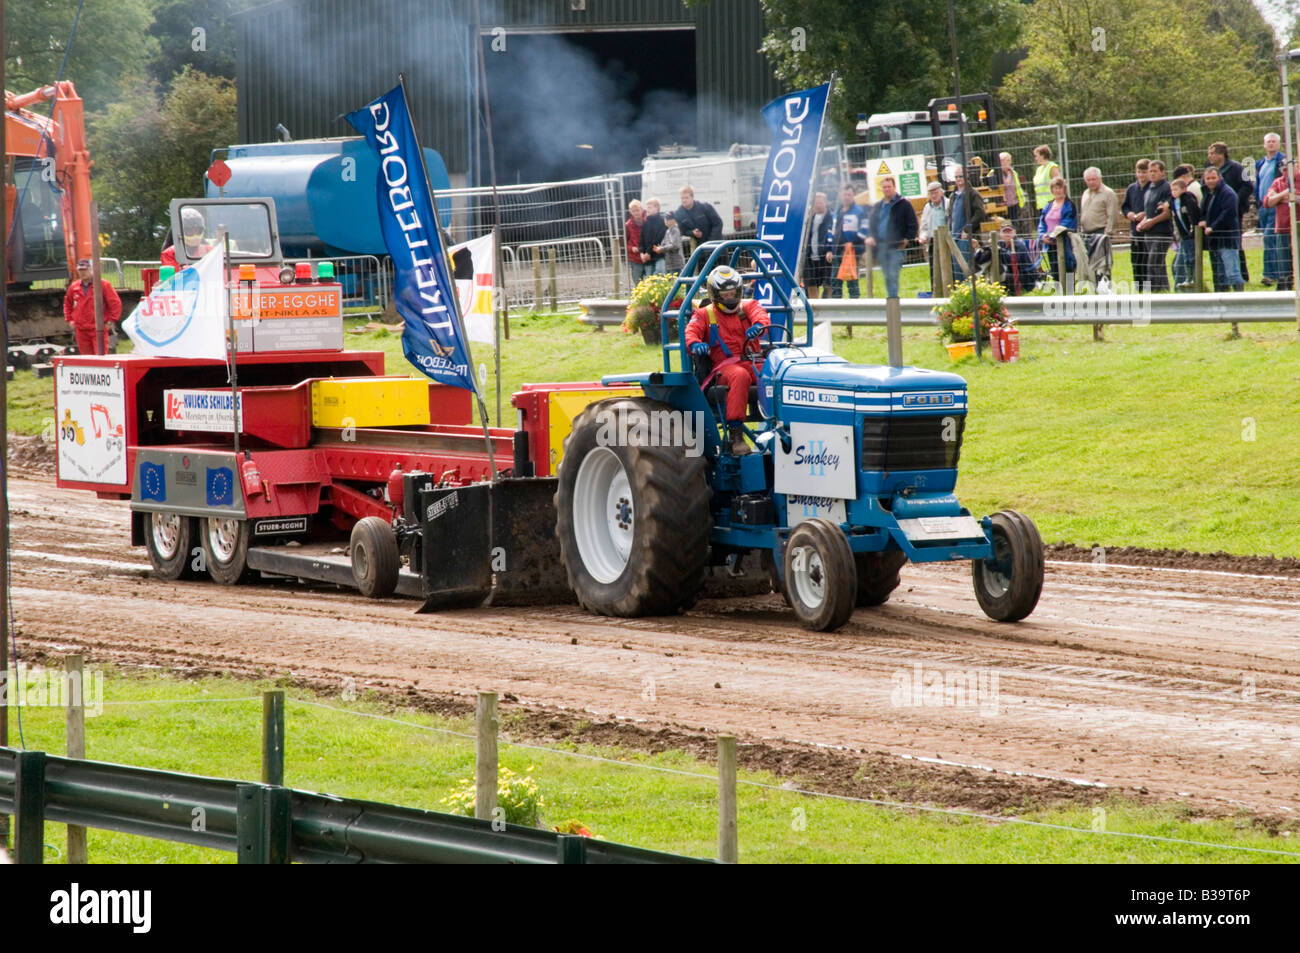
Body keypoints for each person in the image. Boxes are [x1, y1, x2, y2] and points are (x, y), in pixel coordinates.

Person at [684, 265, 771, 455]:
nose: (730, 298)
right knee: (739, 376)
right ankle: (736, 436)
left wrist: (758, 326)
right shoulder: (704, 314)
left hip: (754, 362)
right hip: (725, 368)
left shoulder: (749, 306)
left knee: (778, 372)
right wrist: (695, 344)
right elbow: (690, 333)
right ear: (715, 294)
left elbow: (762, 317)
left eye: (733, 293)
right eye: (725, 295)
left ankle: (783, 425)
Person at [864, 175, 918, 299]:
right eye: (884, 187)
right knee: (887, 275)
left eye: (889, 187)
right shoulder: (878, 206)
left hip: (897, 246)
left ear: (894, 187)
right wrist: (871, 236)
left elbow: (913, 223)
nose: (887, 189)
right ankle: (892, 300)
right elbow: (872, 224)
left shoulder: (904, 204)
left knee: (892, 274)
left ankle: (893, 301)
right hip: (882, 246)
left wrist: (907, 239)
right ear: (881, 189)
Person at [1206, 142, 1250, 283]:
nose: (1210, 156)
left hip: (1233, 211)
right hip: (1214, 212)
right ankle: (1220, 278)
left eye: (1212, 153)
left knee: (1234, 243)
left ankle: (1241, 275)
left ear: (1221, 154)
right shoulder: (1209, 169)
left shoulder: (1237, 167)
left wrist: (1234, 200)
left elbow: (1248, 186)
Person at [63, 258, 123, 356]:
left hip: (98, 328)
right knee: (87, 359)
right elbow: (67, 304)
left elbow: (115, 303)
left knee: (101, 357)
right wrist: (70, 320)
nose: (82, 273)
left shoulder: (103, 284)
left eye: (85, 270)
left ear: (91, 269)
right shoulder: (74, 287)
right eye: (80, 270)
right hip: (81, 330)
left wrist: (110, 321)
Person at [1199, 165, 1243, 292]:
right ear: (1204, 179)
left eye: (1213, 178)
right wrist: (1203, 221)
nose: (1210, 181)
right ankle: (1223, 301)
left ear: (1220, 177)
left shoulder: (1227, 193)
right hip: (1214, 239)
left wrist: (1213, 227)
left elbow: (1228, 213)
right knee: (1220, 274)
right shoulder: (1207, 193)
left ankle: (1240, 299)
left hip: (1227, 238)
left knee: (1232, 272)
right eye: (1208, 178)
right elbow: (1204, 211)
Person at [1136, 159, 1173, 292]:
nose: (1151, 174)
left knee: (1153, 263)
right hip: (1148, 233)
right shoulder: (1149, 189)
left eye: (1155, 171)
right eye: (1150, 171)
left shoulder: (1166, 188)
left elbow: (1167, 212)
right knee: (1158, 264)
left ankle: (1155, 292)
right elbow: (1149, 212)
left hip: (1161, 232)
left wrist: (1151, 222)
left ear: (1162, 172)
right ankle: (1164, 291)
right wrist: (1142, 222)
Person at [1078, 166, 1120, 285]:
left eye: (1093, 179)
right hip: (1086, 233)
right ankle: (1093, 287)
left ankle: (1105, 287)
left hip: (1101, 233)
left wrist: (1108, 234)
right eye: (1088, 180)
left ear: (1100, 178)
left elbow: (1112, 215)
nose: (1091, 182)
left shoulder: (1108, 193)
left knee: (1102, 264)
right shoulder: (1085, 193)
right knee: (1089, 264)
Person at [1255, 133, 1286, 286]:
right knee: (1267, 240)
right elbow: (1258, 184)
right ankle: (1273, 272)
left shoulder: (1283, 161)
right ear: (1264, 145)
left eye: (1274, 141)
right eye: (1269, 142)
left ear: (1279, 144)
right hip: (1263, 206)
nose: (1271, 144)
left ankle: (1272, 273)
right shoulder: (1260, 163)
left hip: (1277, 205)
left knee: (1271, 238)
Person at [1263, 163, 1299, 290]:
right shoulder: (1277, 182)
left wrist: (1289, 197)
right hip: (1282, 228)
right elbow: (1267, 202)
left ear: (1296, 167)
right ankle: (1287, 289)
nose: (1286, 172)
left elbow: (1295, 199)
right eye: (1283, 170)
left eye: (1289, 169)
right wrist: (1284, 194)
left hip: (1298, 228)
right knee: (1284, 263)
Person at [827, 184, 866, 297]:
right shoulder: (836, 213)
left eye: (849, 194)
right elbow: (830, 232)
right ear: (840, 195)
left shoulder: (859, 212)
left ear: (853, 196)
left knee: (852, 282)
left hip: (851, 253)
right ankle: (837, 310)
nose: (846, 197)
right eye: (845, 194)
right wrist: (829, 249)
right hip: (836, 252)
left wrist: (854, 244)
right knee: (835, 282)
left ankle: (855, 310)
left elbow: (865, 229)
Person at [948, 167, 986, 280]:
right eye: (956, 177)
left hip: (967, 238)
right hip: (954, 238)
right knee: (957, 271)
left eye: (961, 176)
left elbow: (980, 214)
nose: (958, 179)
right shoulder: (952, 196)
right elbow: (951, 217)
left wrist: (967, 229)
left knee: (968, 270)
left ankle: (971, 294)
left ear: (966, 176)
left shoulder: (973, 194)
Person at [1037, 176, 1078, 282]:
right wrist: (1042, 236)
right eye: (1055, 188)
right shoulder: (1048, 205)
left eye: (1060, 188)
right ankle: (1058, 294)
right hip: (1050, 245)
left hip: (1065, 244)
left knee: (1068, 270)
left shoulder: (1069, 206)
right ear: (1052, 190)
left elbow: (1067, 224)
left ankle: (1070, 294)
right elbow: (1042, 222)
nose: (1058, 190)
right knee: (1055, 271)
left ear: (1064, 189)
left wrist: (1053, 236)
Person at [1122, 160, 1151, 291]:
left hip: (1149, 230)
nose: (1141, 175)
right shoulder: (1132, 188)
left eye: (1144, 172)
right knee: (1136, 261)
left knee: (1148, 260)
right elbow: (1125, 206)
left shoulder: (1153, 187)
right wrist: (1130, 214)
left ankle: (1149, 287)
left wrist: (1144, 214)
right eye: (1139, 172)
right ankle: (1138, 288)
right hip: (1135, 230)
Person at [1169, 178, 1201, 290]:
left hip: (1191, 234)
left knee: (1190, 257)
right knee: (1185, 259)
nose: (1173, 192)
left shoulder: (1188, 199)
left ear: (1184, 189)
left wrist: (1192, 231)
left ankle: (1192, 278)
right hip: (1183, 235)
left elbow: (1193, 215)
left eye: (1176, 189)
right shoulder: (1172, 202)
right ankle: (1189, 279)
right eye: (1172, 190)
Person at [918, 180, 949, 291]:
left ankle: (948, 289)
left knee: (947, 267)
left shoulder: (948, 204)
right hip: (932, 241)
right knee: (933, 269)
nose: (934, 196)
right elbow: (924, 226)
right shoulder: (928, 207)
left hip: (946, 242)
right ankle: (935, 291)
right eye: (931, 193)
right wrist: (923, 236)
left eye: (936, 193)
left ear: (941, 192)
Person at [674, 185, 723, 255]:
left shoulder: (705, 207)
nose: (684, 200)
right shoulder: (679, 214)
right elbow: (682, 231)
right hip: (699, 248)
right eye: (682, 198)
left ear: (692, 197)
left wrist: (711, 242)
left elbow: (718, 223)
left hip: (716, 246)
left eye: (686, 198)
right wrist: (692, 233)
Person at [995, 222, 1039, 295]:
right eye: (1004, 232)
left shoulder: (1018, 244)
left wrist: (1000, 250)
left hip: (1025, 276)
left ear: (1014, 232)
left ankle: (1009, 294)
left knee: (1003, 277)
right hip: (1011, 273)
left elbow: (1013, 262)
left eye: (1009, 231)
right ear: (1000, 234)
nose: (1007, 234)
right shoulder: (1000, 244)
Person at [804, 191, 833, 297]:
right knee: (811, 284)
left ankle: (827, 307)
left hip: (825, 256)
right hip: (811, 256)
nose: (818, 205)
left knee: (828, 284)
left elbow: (832, 234)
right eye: (816, 203)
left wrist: (830, 250)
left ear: (825, 203)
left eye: (820, 203)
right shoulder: (809, 219)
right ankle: (815, 308)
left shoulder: (831, 218)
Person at [998, 152, 1028, 233]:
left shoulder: (1013, 173)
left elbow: (1017, 187)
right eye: (1006, 160)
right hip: (1002, 205)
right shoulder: (995, 174)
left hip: (1014, 203)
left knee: (1015, 225)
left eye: (1009, 160)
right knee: (1004, 226)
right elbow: (1003, 186)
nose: (1009, 162)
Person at [1031, 145, 1063, 218]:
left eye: (1036, 156)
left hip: (1051, 203)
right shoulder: (1039, 169)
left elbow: (1059, 185)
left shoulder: (1052, 167)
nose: (1035, 158)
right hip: (1041, 204)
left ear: (1043, 156)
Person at [639, 197, 667, 274]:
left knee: (660, 275)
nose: (647, 209)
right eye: (647, 207)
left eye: (650, 207)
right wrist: (642, 253)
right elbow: (641, 239)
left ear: (657, 208)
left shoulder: (662, 221)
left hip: (659, 255)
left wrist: (648, 252)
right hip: (647, 258)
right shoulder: (646, 222)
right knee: (650, 279)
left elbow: (658, 238)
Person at [625, 199, 650, 285]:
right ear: (630, 212)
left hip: (648, 256)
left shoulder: (648, 222)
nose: (636, 213)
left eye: (637, 210)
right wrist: (631, 248)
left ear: (642, 209)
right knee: (638, 283)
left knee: (651, 282)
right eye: (633, 211)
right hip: (635, 258)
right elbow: (625, 242)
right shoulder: (628, 225)